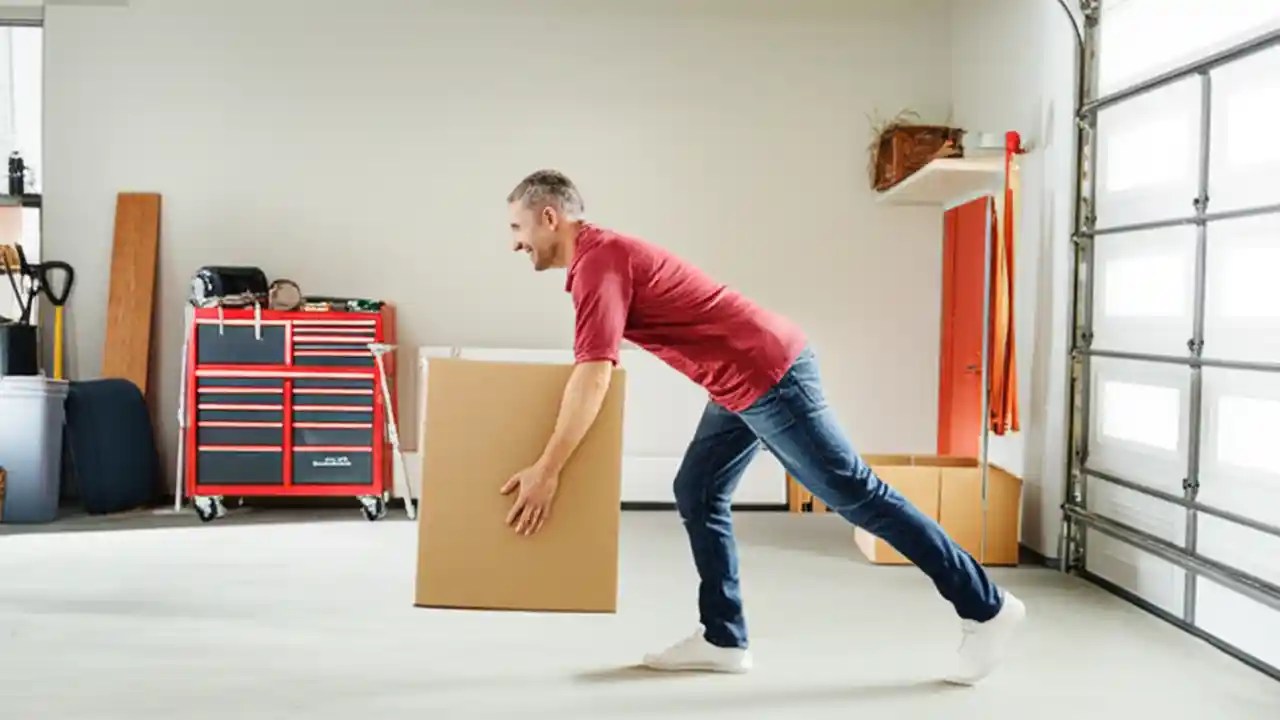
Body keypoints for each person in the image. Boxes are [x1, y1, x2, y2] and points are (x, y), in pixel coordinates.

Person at [498, 169, 1026, 685]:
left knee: (856, 494)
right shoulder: (600, 257)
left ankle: (987, 607)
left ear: (549, 217)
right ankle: (723, 639)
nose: (515, 244)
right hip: (740, 381)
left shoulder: (599, 262)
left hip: (768, 376)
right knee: (698, 489)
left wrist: (548, 470)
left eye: (518, 229)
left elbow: (594, 378)